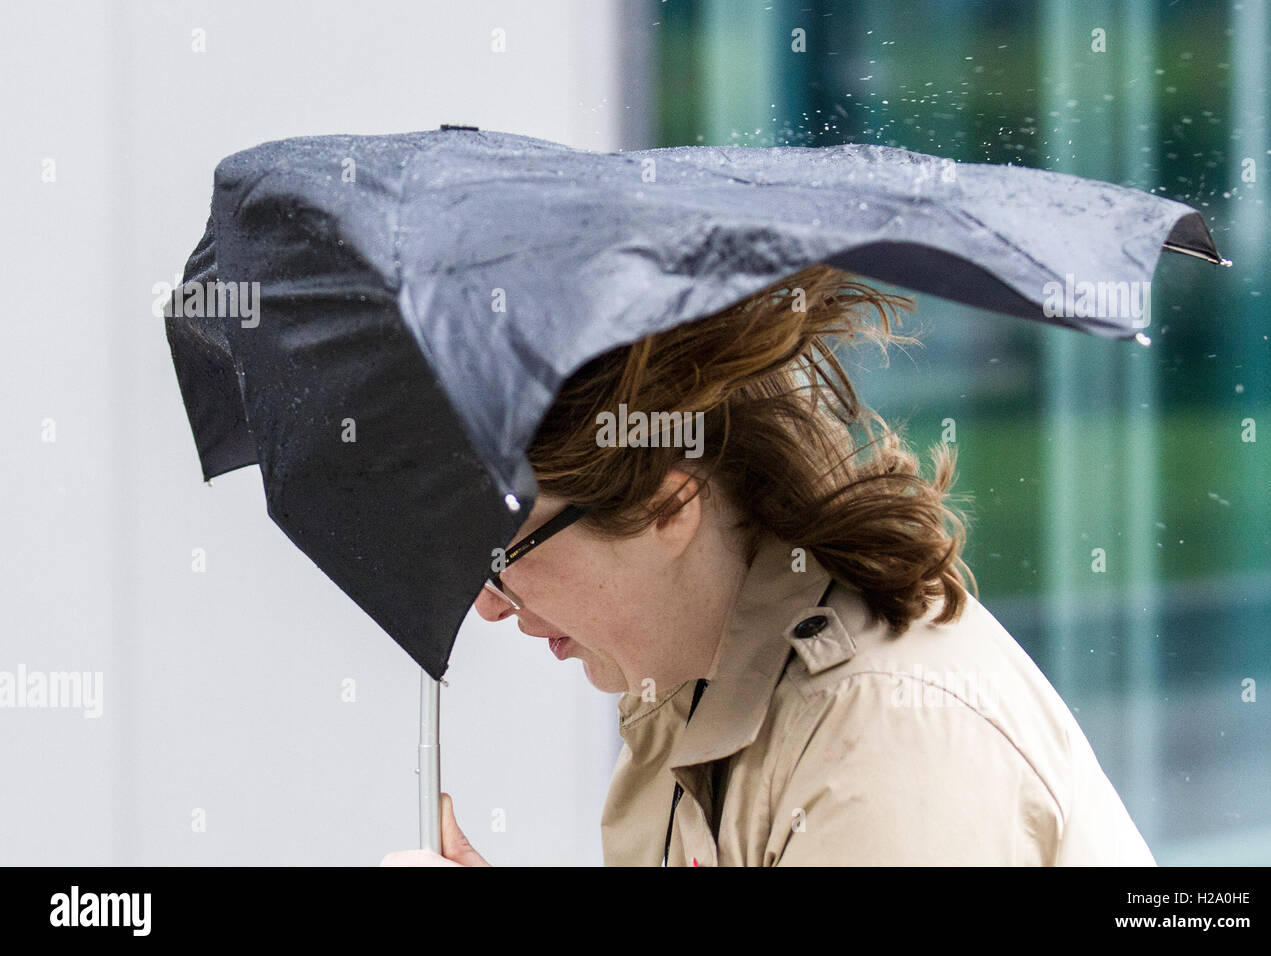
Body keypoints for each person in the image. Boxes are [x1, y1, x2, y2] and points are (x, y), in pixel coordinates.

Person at [381, 263, 1156, 867]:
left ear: (666, 506)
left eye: (501, 550)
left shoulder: (880, 735)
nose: (486, 604)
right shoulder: (689, 701)